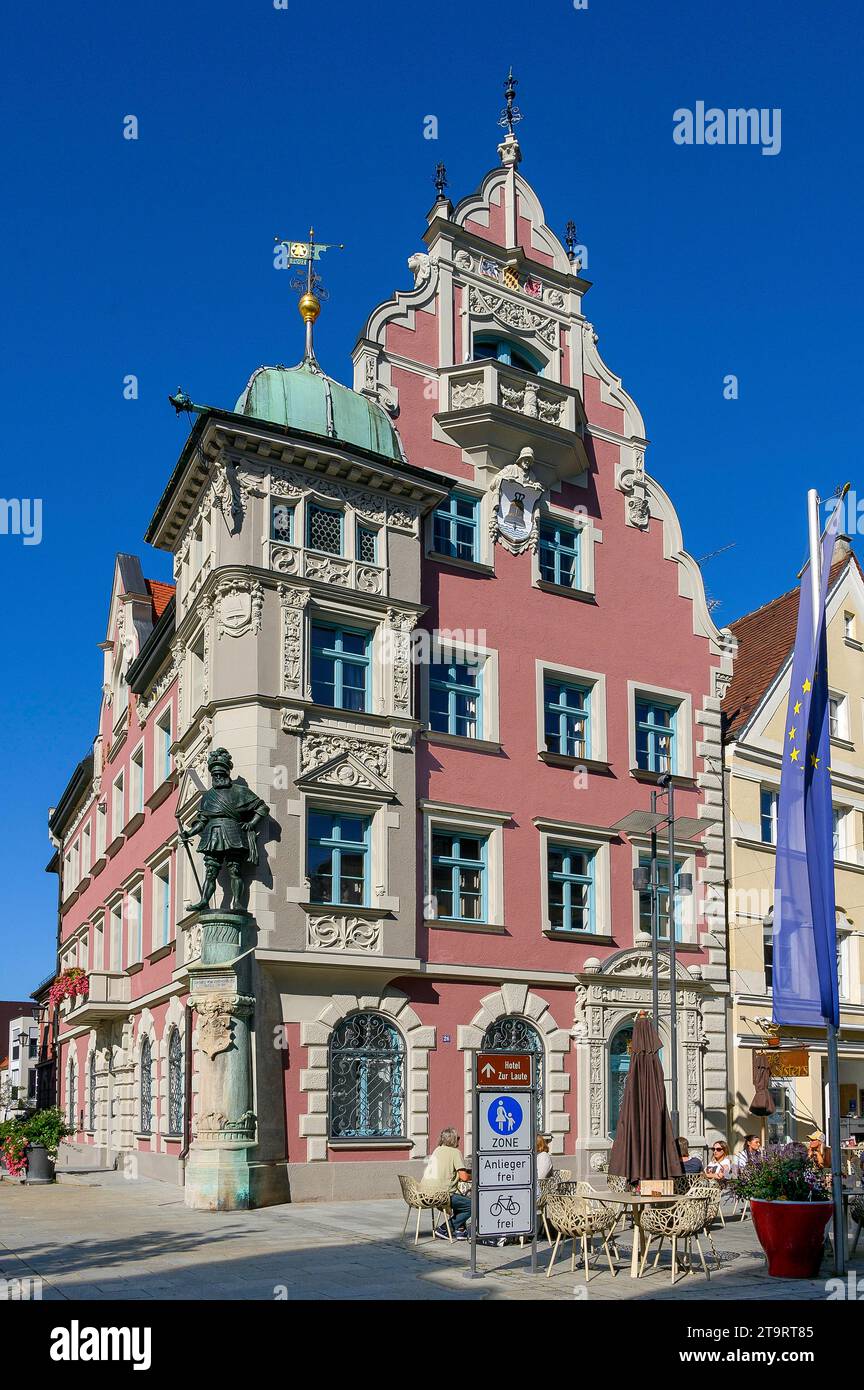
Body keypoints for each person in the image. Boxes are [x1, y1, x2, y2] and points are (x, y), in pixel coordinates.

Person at [421, 1127, 472, 1239]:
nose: (459, 1140)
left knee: (460, 1200)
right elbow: (464, 1177)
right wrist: (473, 1175)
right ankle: (444, 1228)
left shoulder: (437, 1150)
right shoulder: (455, 1152)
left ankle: (460, 1231)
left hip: (424, 1193)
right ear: (454, 1140)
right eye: (458, 1138)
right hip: (441, 1194)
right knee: (472, 1205)